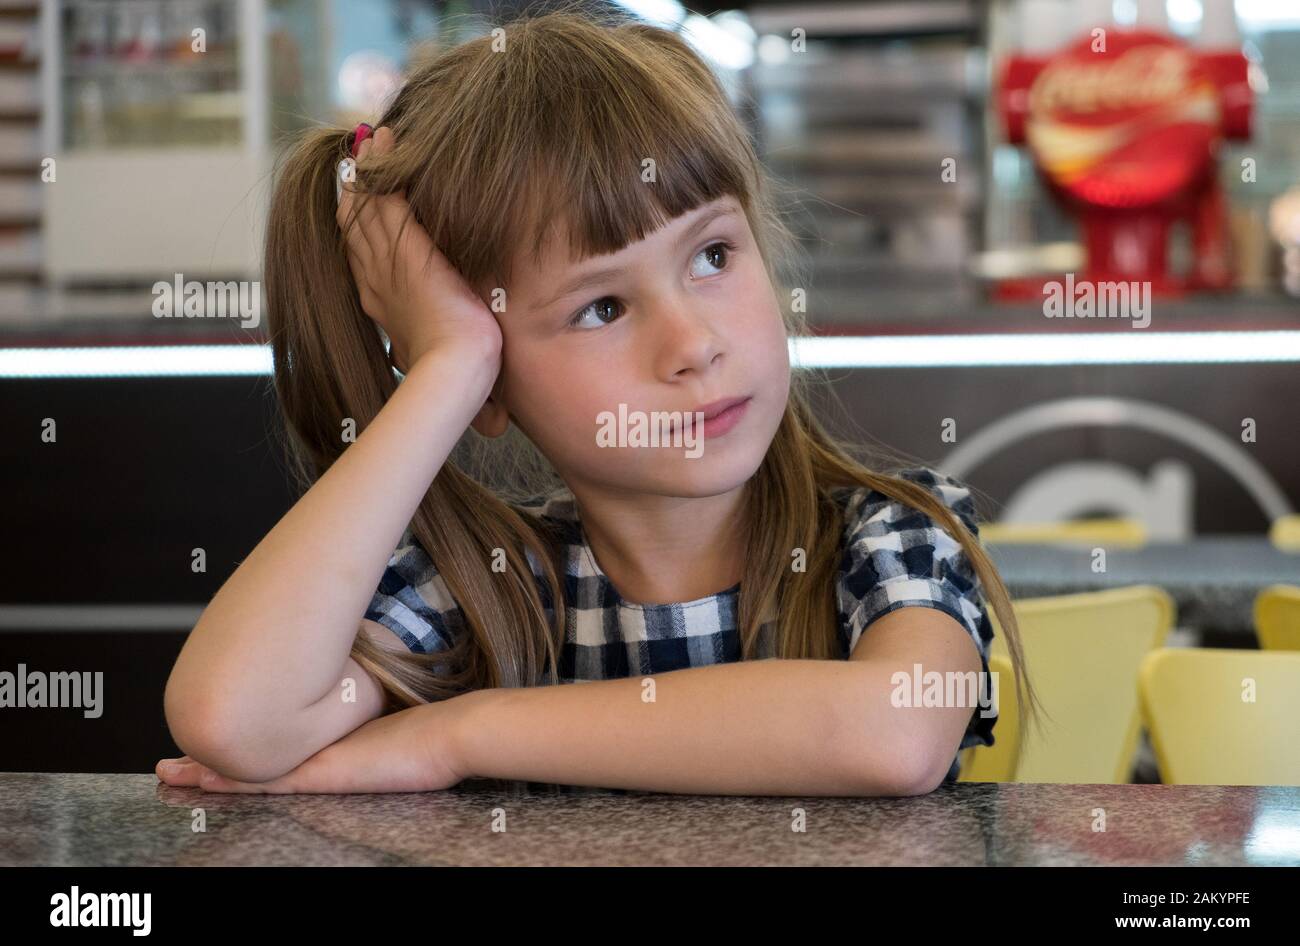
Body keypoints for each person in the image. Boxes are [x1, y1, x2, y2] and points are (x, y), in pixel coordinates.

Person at [157, 7, 1038, 797]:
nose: (692, 344)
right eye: (602, 307)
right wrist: (450, 368)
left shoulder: (896, 535)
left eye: (713, 256)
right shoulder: (489, 594)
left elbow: (893, 735)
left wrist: (458, 734)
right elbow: (235, 721)